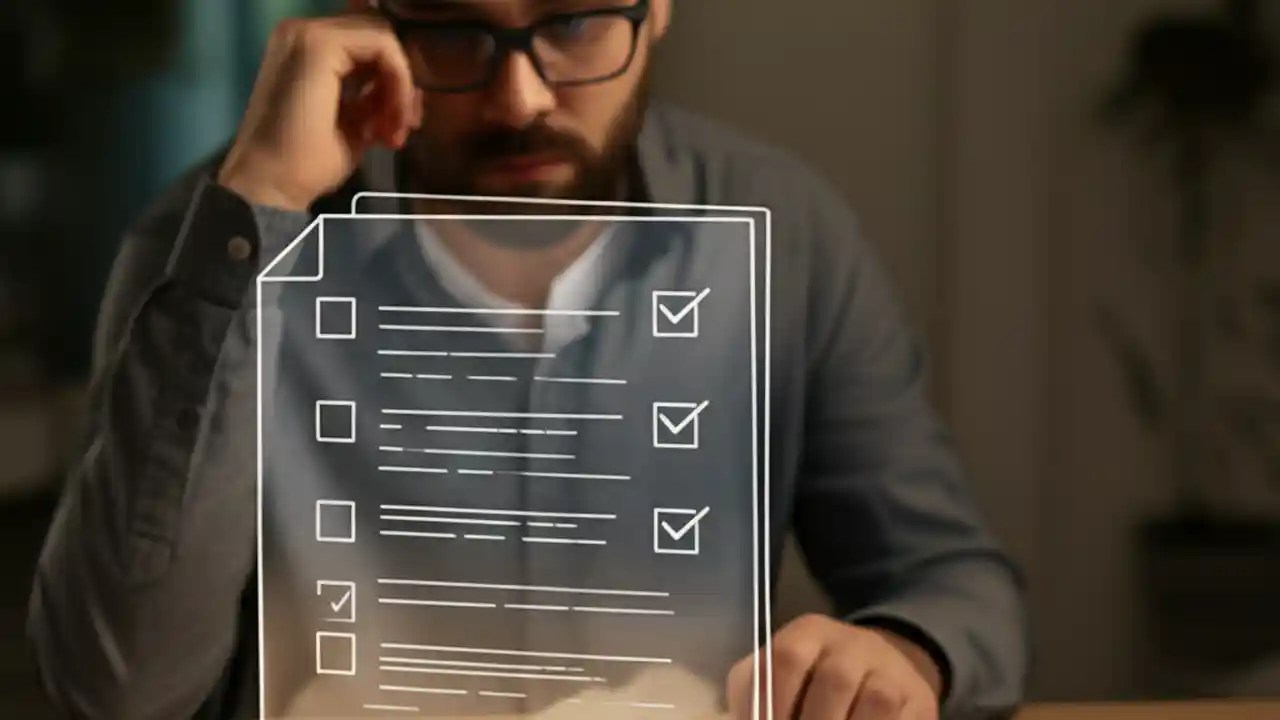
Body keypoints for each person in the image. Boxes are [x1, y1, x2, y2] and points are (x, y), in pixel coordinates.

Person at [28, 1, 1028, 718]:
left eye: (576, 22)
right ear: (372, 20)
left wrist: (901, 654)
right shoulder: (214, 242)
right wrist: (259, 214)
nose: (519, 97)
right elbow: (115, 687)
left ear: (658, 11)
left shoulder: (782, 229)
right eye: (456, 32)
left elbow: (953, 582)